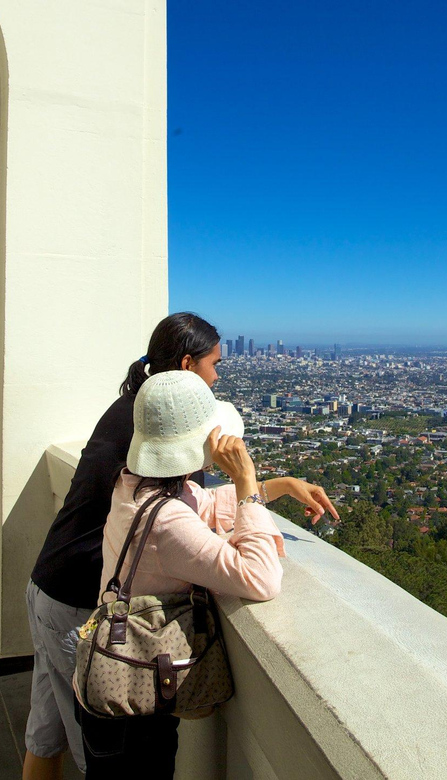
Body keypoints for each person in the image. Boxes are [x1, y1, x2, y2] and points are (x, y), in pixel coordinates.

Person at [77, 370, 339, 778]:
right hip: (132, 710)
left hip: (122, 685)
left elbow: (207, 502)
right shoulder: (166, 522)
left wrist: (282, 485)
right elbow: (260, 578)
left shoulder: (136, 485)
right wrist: (245, 480)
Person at [23, 313, 225, 780]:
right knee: (101, 762)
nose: (217, 378)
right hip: (79, 606)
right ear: (188, 364)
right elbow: (180, 518)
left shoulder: (131, 405)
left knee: (44, 737)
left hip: (46, 585)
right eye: (215, 366)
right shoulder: (160, 427)